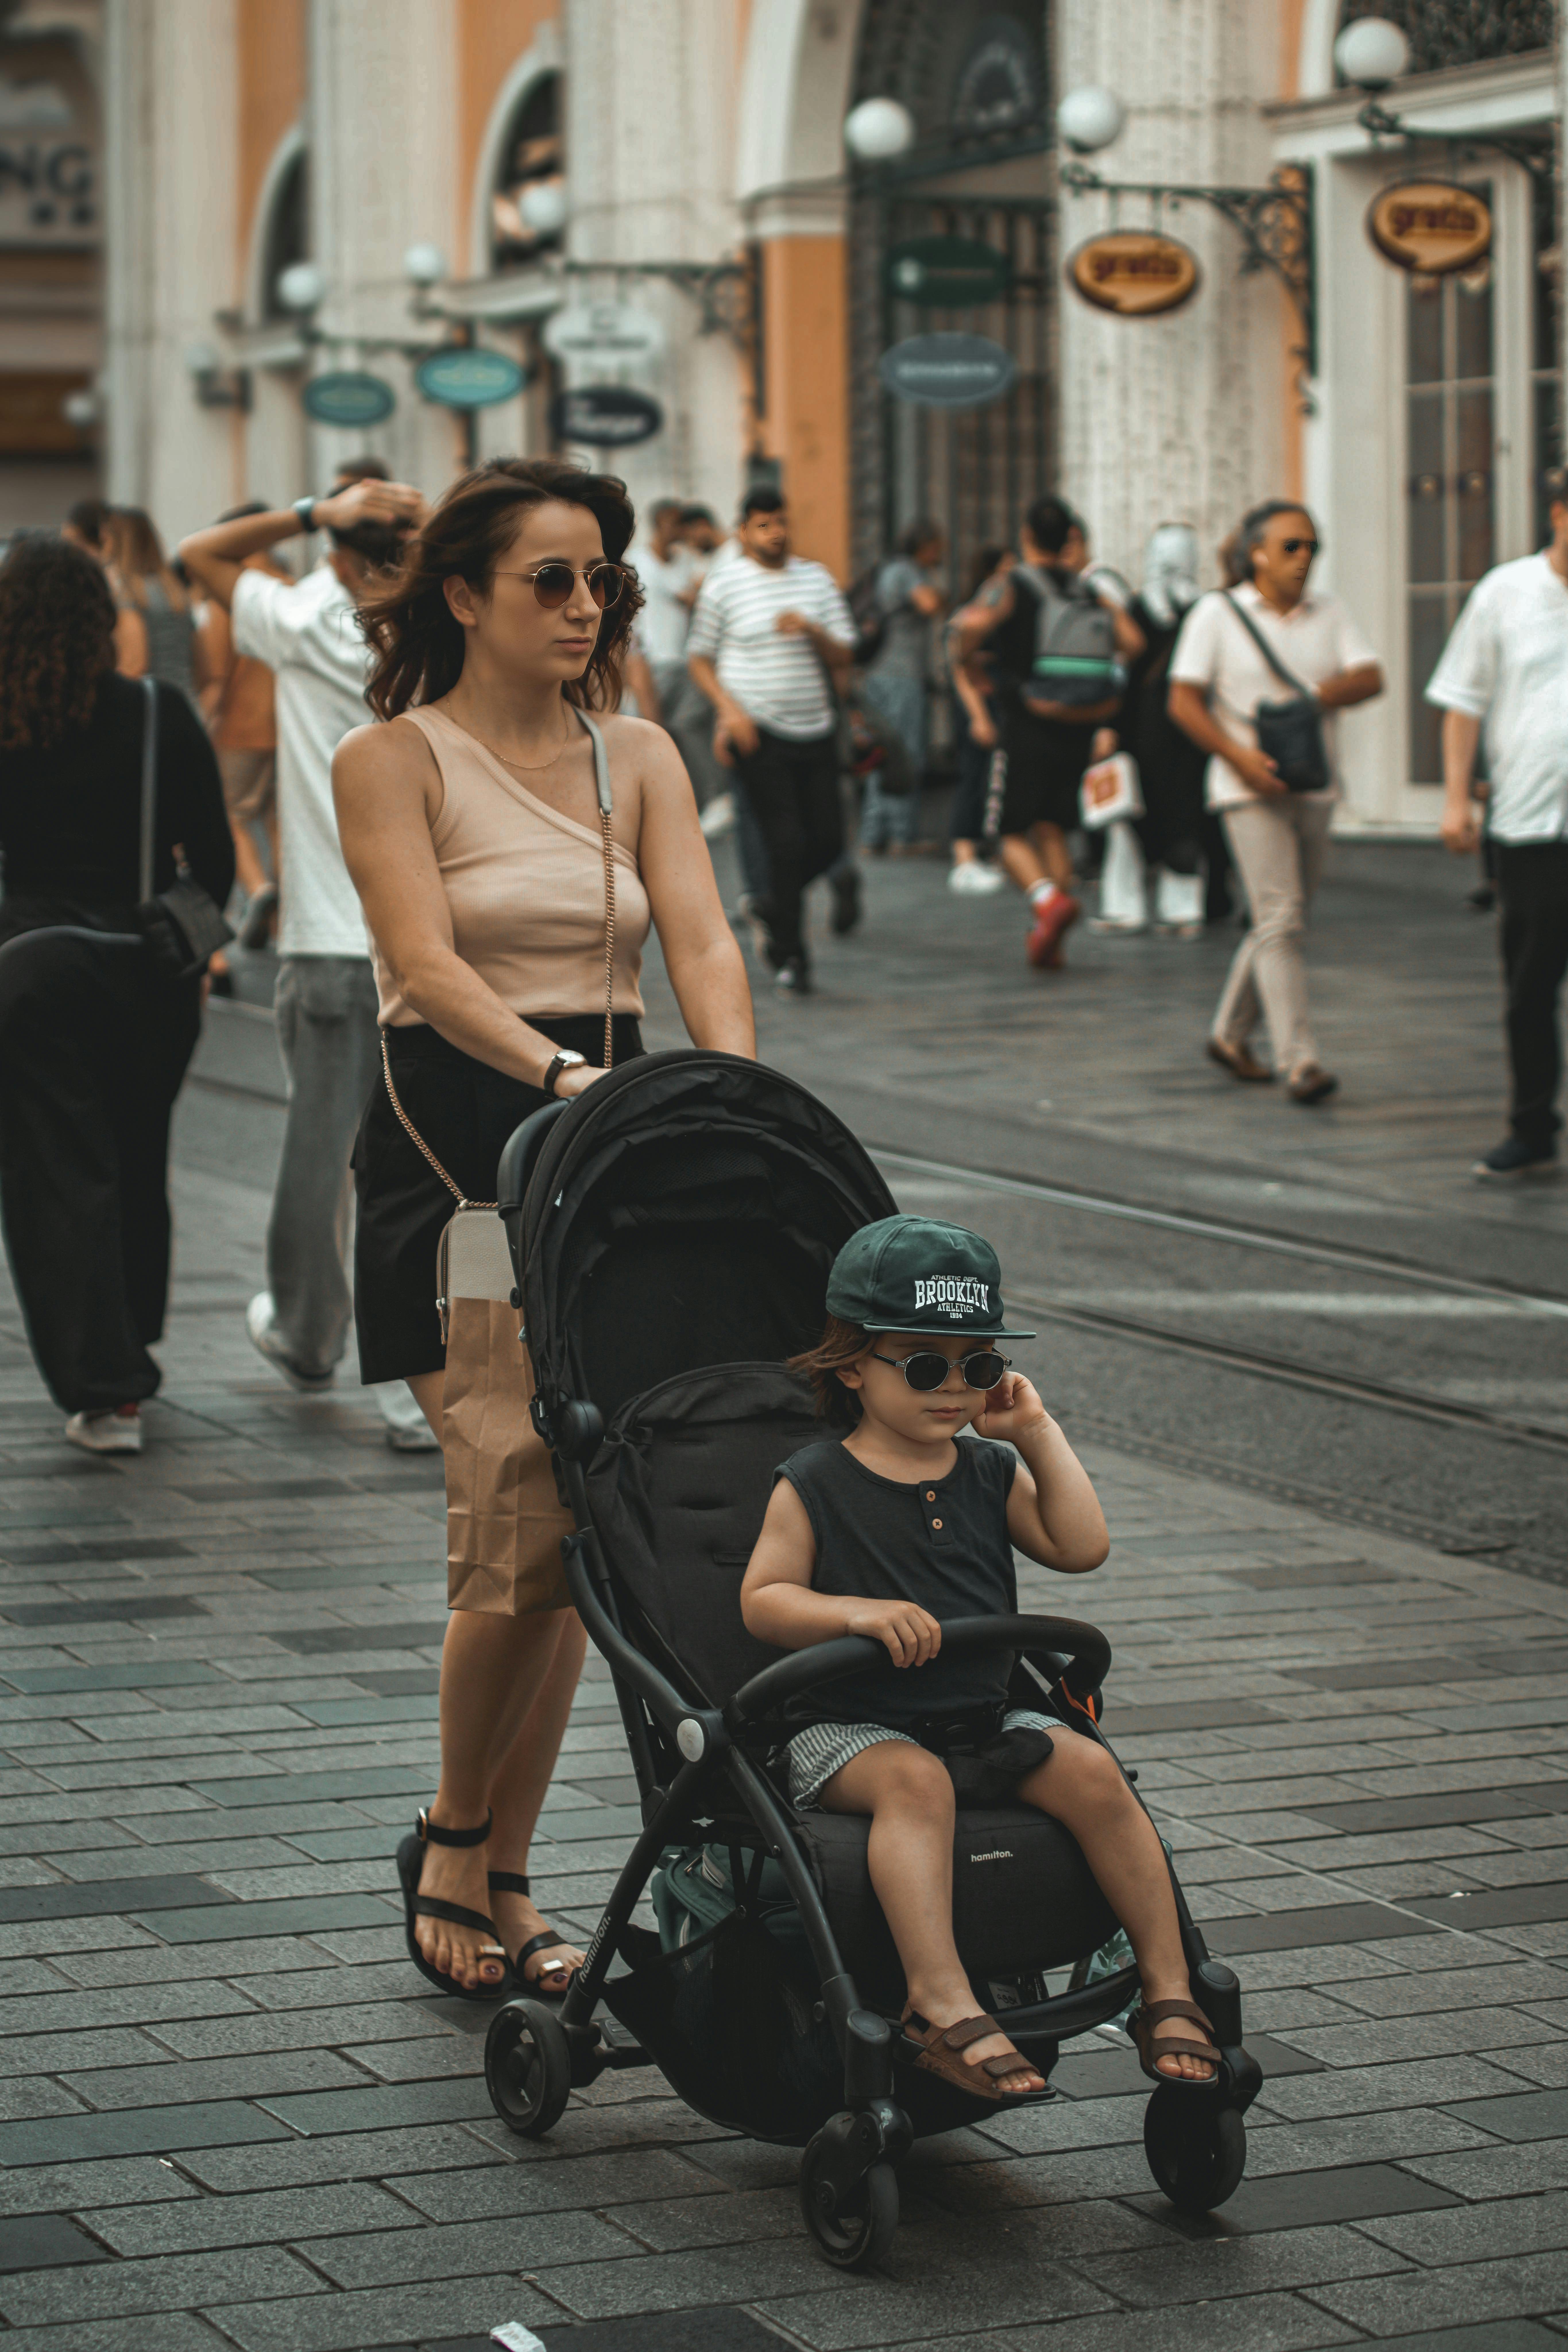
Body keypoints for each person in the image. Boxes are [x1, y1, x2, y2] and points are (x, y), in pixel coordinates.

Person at [332, 456, 755, 1998]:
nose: (585, 607)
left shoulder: (633, 750)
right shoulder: (395, 757)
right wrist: (569, 1075)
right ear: (463, 593)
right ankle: (451, 1839)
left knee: (589, 1531)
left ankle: (511, 1877)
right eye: (550, 581)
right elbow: (428, 970)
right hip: (461, 1168)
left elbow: (699, 935)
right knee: (515, 1496)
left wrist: (742, 1111)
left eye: (602, 580)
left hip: (610, 1170)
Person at [740, 1215, 1219, 2097]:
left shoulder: (984, 1472)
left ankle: (1166, 1983)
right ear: (851, 1365)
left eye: (979, 1364)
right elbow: (764, 1601)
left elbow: (1077, 1547)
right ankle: (939, 1998)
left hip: (979, 1718)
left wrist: (1033, 1433)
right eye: (924, 1364)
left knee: (1091, 1771)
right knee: (913, 1782)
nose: (954, 1387)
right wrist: (855, 1612)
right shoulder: (814, 1481)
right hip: (849, 1727)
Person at [179, 477, 435, 1450]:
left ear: (335, 546)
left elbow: (199, 554)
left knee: (320, 1160)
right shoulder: (441, 629)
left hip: (332, 940)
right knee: (416, 1172)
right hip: (435, 948)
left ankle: (308, 1336)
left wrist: (310, 510)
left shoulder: (306, 615)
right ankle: (413, 1392)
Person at [0, 536, 233, 1453]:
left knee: (60, 1171)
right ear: (103, 621)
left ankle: (106, 1392)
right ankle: (134, 1338)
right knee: (139, 1154)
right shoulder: (154, 712)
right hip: (145, 972)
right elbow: (211, 864)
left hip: (28, 973)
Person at [1169, 500, 1383, 1105]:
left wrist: (1313, 696)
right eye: (1291, 547)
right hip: (1245, 789)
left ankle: (1229, 1034)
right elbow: (1182, 701)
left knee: (1280, 921)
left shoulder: (1329, 610)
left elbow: (1371, 677)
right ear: (1256, 553)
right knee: (1281, 918)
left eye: (1313, 547)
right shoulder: (1217, 613)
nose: (1304, 559)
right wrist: (1240, 759)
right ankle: (1300, 1061)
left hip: (1313, 784)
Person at [1428, 470, 1568, 1179]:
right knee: (1530, 982)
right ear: (1558, 515)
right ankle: (1532, 1123)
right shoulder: (1505, 594)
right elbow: (1462, 700)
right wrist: (1456, 798)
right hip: (1529, 824)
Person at [953, 496, 1142, 971]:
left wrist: (968, 655)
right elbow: (1134, 642)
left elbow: (970, 625)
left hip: (1028, 722)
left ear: (1026, 536)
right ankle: (1051, 936)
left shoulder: (1012, 584)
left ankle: (1046, 902)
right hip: (1079, 725)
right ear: (1069, 539)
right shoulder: (1087, 588)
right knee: (1053, 825)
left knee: (1009, 831)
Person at [686, 484, 857, 995]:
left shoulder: (815, 580)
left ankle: (768, 906)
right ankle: (791, 955)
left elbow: (846, 654)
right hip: (757, 732)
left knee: (827, 842)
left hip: (816, 728)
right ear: (743, 532)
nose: (776, 533)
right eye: (764, 525)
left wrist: (812, 631)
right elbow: (701, 657)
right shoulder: (725, 584)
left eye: (781, 523)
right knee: (785, 843)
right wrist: (729, 711)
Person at [1095, 525, 1209, 938]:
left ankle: (1130, 906)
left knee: (1133, 817)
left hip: (1151, 730)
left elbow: (1119, 674)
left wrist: (1109, 726)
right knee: (1169, 817)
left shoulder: (1138, 610)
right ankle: (1179, 909)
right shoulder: (1202, 609)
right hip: (1181, 732)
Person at [197, 504, 287, 949]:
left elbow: (215, 674)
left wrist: (204, 724)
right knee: (279, 819)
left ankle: (258, 889)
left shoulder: (231, 596)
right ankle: (287, 909)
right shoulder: (294, 589)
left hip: (239, 727)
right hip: (289, 726)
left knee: (232, 812)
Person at [626, 498, 724, 809]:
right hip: (651, 663)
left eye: (681, 524)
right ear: (658, 525)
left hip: (685, 662)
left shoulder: (687, 561)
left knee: (688, 732)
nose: (678, 530)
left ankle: (704, 800)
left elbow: (705, 591)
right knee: (646, 734)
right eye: (673, 523)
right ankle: (644, 803)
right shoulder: (635, 562)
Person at [858, 519, 944, 855]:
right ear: (925, 546)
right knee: (905, 753)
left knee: (882, 753)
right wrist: (941, 594)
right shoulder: (908, 572)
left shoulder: (886, 570)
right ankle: (900, 834)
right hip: (901, 676)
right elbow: (929, 605)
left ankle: (873, 833)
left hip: (879, 672)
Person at [945, 546, 1008, 895]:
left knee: (991, 779)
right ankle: (964, 859)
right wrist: (979, 716)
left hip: (991, 707)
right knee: (972, 778)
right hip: (976, 709)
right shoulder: (969, 619)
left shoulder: (996, 617)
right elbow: (960, 672)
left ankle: (987, 853)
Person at [107, 508, 204, 704]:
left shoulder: (129, 593)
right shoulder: (175, 592)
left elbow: (134, 665)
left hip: (152, 708)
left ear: (117, 542)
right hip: (185, 704)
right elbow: (201, 664)